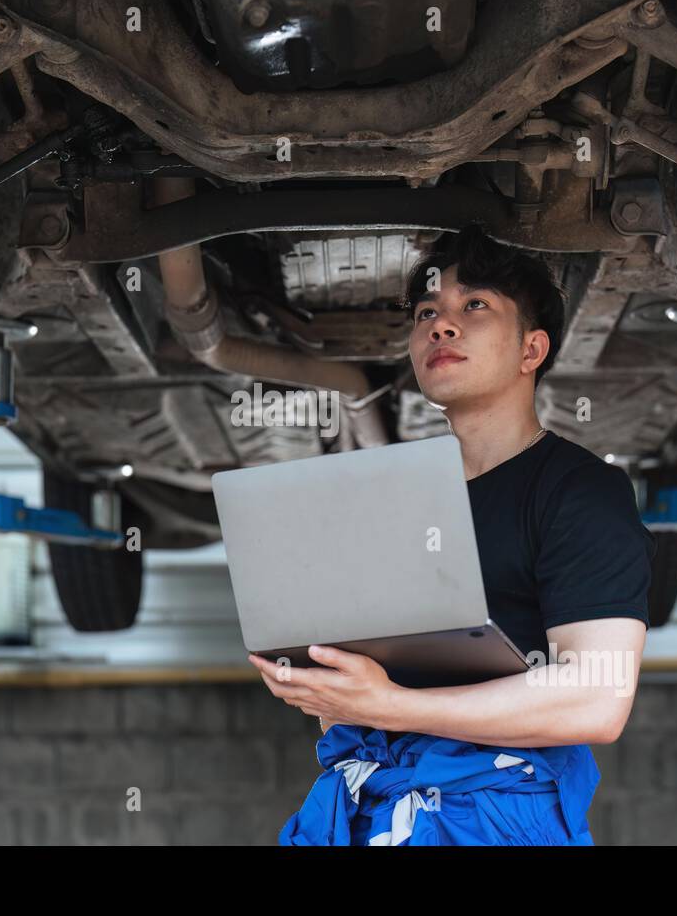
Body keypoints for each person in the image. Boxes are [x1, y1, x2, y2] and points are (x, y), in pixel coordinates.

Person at [249, 222, 656, 845]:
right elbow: (378, 674)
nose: (440, 325)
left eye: (475, 306)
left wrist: (388, 707)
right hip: (369, 808)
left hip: (492, 820)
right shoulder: (397, 502)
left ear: (531, 350)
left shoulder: (580, 490)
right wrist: (320, 683)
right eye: (426, 312)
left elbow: (597, 699)